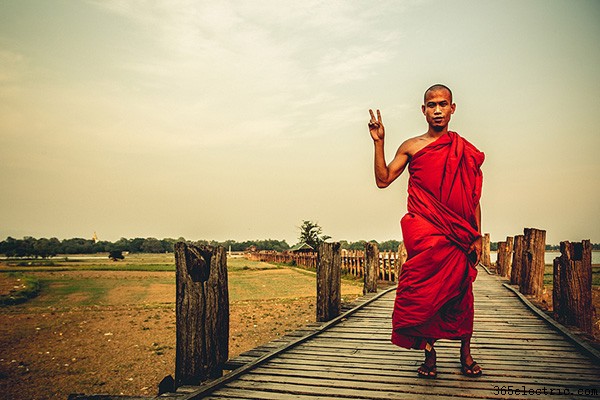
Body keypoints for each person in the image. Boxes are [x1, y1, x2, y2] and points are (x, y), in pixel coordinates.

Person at [368, 84, 484, 378]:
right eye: (431, 105)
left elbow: (473, 198)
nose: (437, 110)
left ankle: (465, 353)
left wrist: (477, 236)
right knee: (422, 292)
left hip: (459, 236)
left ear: (452, 108)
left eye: (442, 104)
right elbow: (383, 180)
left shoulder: (464, 150)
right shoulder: (411, 146)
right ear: (423, 110)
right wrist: (379, 143)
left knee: (460, 295)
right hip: (426, 232)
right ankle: (429, 354)